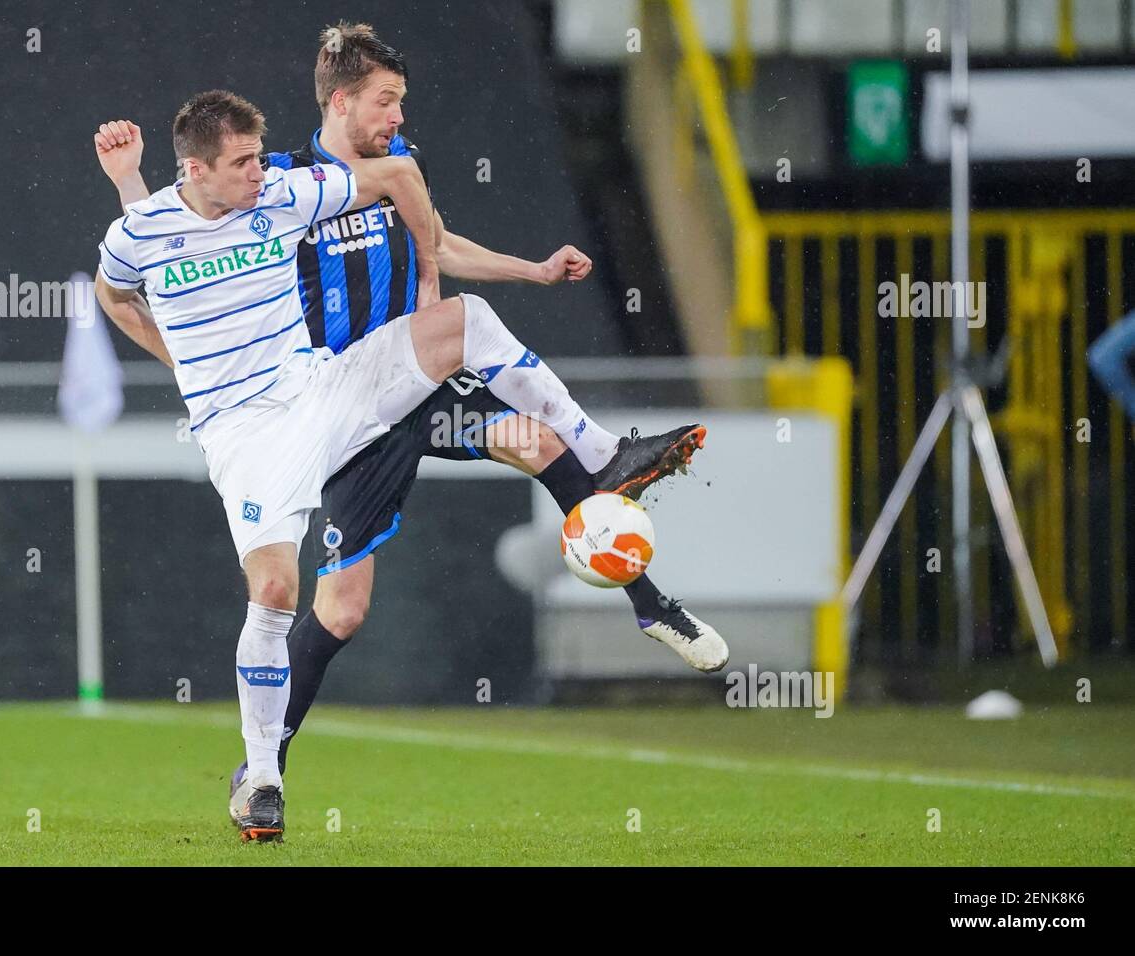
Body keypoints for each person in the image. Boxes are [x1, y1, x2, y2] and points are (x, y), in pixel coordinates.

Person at [95, 85, 719, 842]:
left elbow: (400, 185)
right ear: (196, 169)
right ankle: (261, 776)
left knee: (475, 335)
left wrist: (442, 258)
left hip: (343, 387)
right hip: (251, 435)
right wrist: (185, 368)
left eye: (260, 158)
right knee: (283, 593)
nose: (258, 173)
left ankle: (617, 487)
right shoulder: (148, 225)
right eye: (241, 163)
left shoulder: (290, 190)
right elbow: (118, 290)